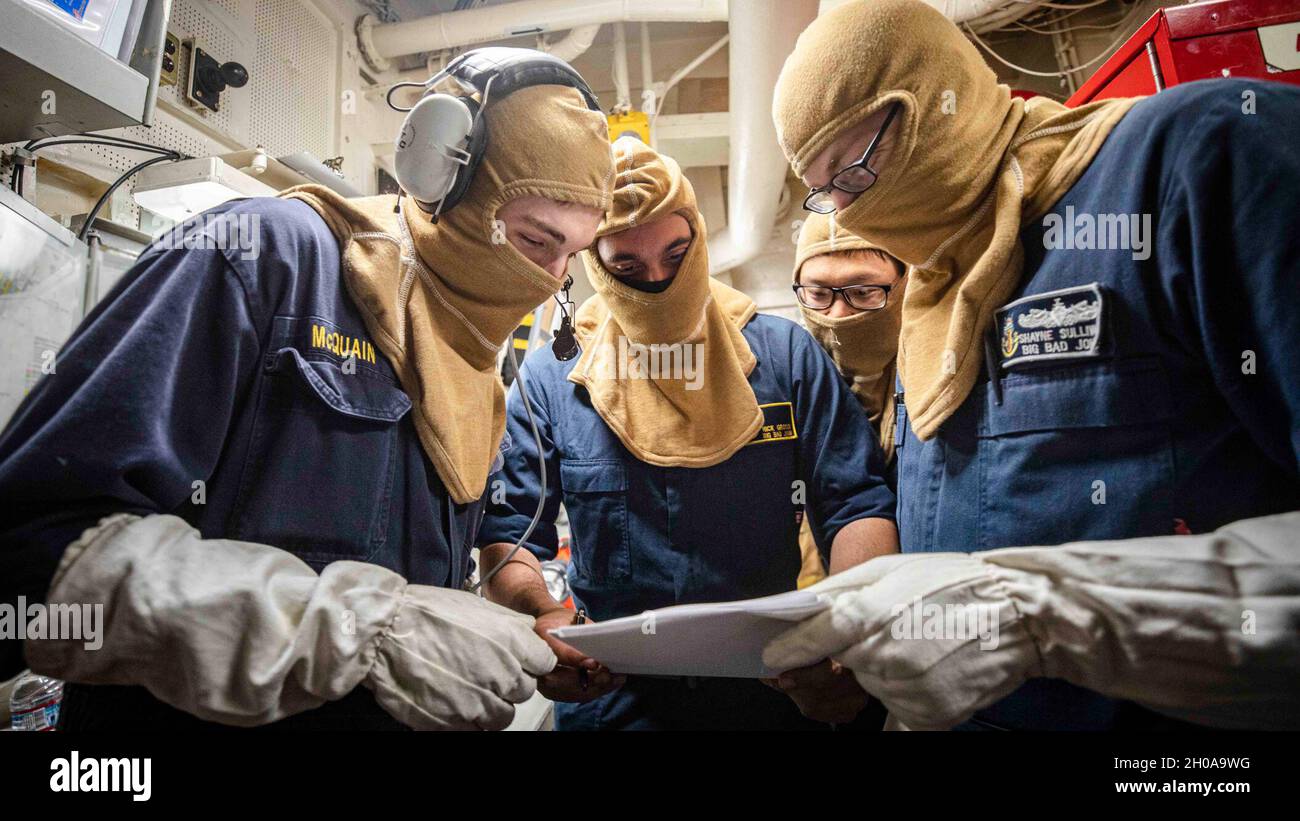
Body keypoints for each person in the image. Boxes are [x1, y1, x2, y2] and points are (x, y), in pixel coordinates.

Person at [0, 52, 616, 730]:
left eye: (569, 257)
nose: (546, 278)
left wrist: (523, 629)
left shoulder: (471, 359)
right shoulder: (265, 257)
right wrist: (356, 632)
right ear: (441, 173)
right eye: (533, 240)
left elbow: (445, 583)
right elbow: (30, 553)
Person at [763, 0, 1300, 731]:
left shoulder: (1197, 162)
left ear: (931, 101)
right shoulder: (930, 296)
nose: (850, 213)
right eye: (825, 192)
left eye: (853, 172)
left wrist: (1043, 618)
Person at [477, 138, 898, 729]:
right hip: (615, 694)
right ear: (595, 263)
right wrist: (542, 613)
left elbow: (854, 503)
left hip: (773, 686)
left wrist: (850, 632)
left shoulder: (784, 358)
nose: (658, 281)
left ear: (699, 239)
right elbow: (511, 535)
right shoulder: (553, 380)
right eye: (628, 268)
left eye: (676, 257)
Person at [791, 213, 906, 586]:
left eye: (863, 292)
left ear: (904, 283)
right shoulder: (795, 388)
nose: (839, 314)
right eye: (819, 294)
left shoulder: (938, 380)